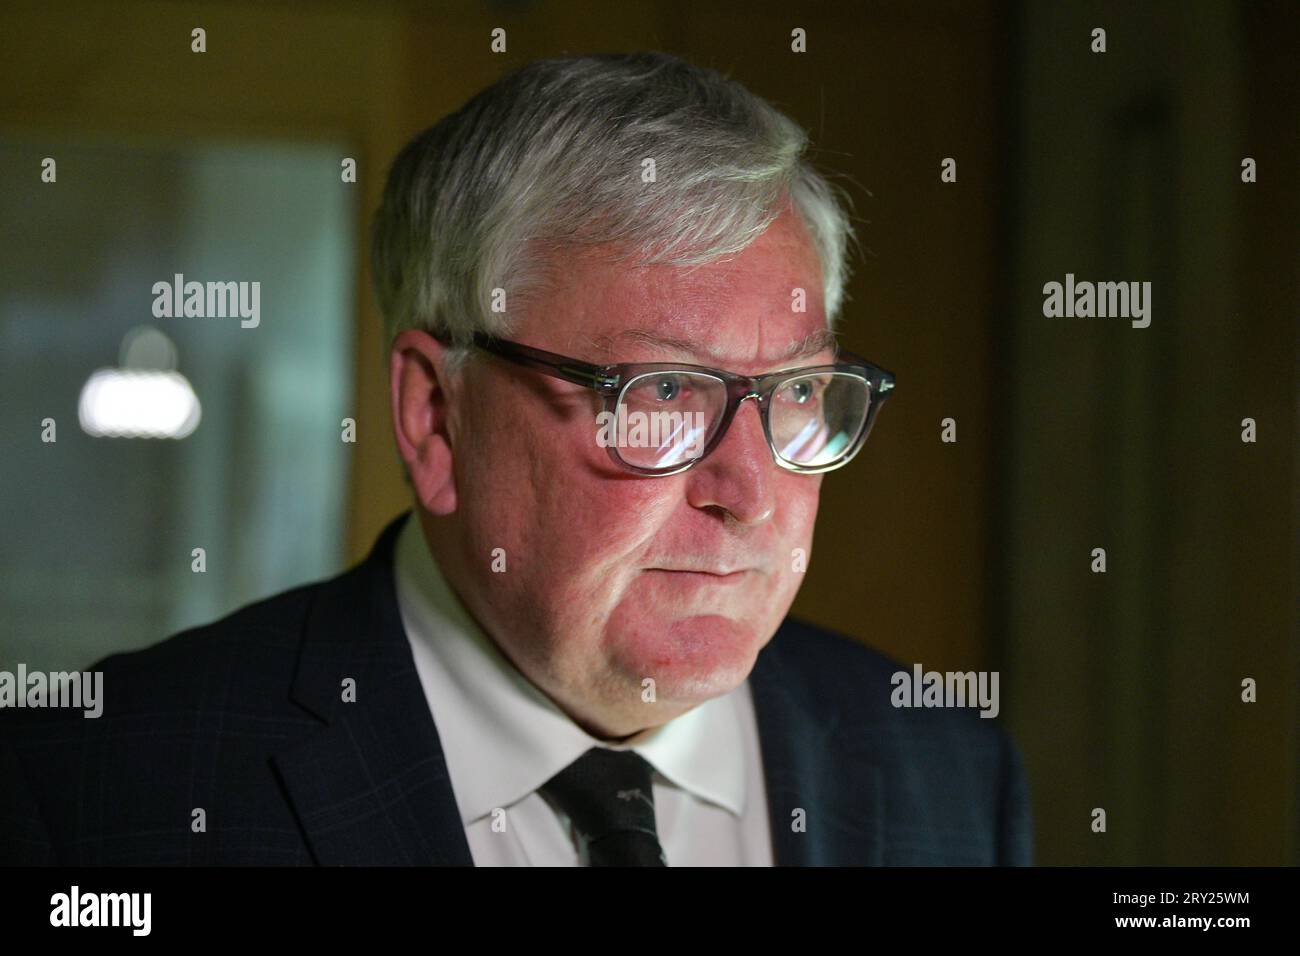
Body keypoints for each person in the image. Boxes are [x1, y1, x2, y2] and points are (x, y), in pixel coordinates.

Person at [0, 51, 1031, 866]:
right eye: (663, 396)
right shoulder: (96, 791)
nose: (751, 494)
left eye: (798, 393)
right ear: (435, 417)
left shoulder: (943, 766)